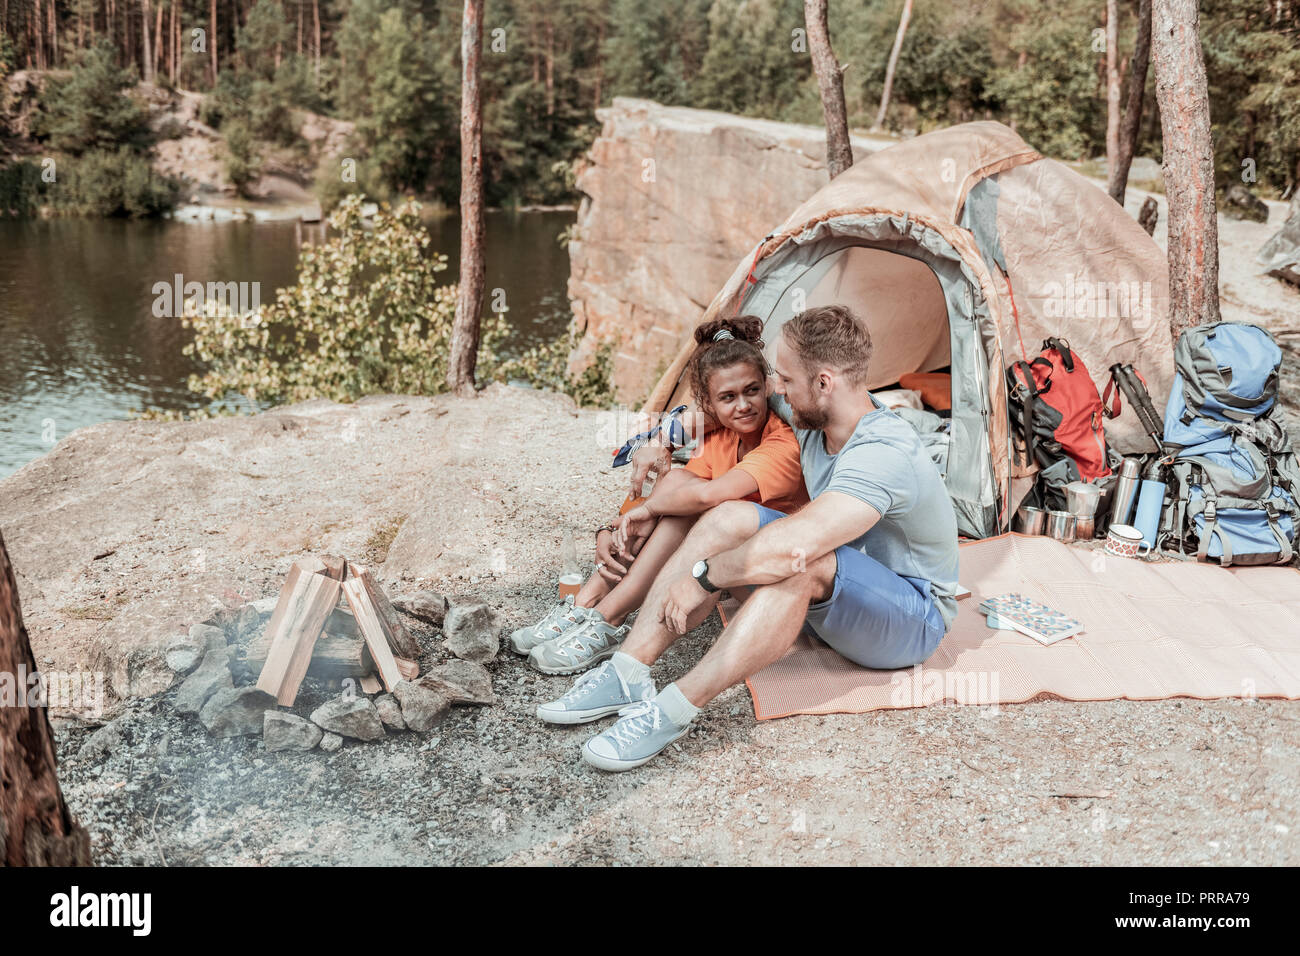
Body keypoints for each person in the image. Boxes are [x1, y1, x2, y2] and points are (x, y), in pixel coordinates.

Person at [538, 304, 960, 771]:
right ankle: (628, 671)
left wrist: (702, 578)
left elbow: (795, 546)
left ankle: (672, 709)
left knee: (801, 562)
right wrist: (661, 440)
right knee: (730, 516)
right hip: (844, 599)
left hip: (910, 620)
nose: (776, 390)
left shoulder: (883, 453)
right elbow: (711, 411)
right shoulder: (814, 412)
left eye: (784, 380)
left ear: (823, 383)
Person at [510, 315, 809, 678]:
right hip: (730, 561)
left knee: (691, 506)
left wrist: (645, 510)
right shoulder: (722, 437)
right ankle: (588, 601)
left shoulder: (780, 444)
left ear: (768, 386)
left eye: (751, 390)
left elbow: (708, 497)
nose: (743, 405)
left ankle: (608, 615)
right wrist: (624, 520)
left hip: (778, 575)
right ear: (709, 405)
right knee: (678, 482)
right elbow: (678, 490)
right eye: (728, 397)